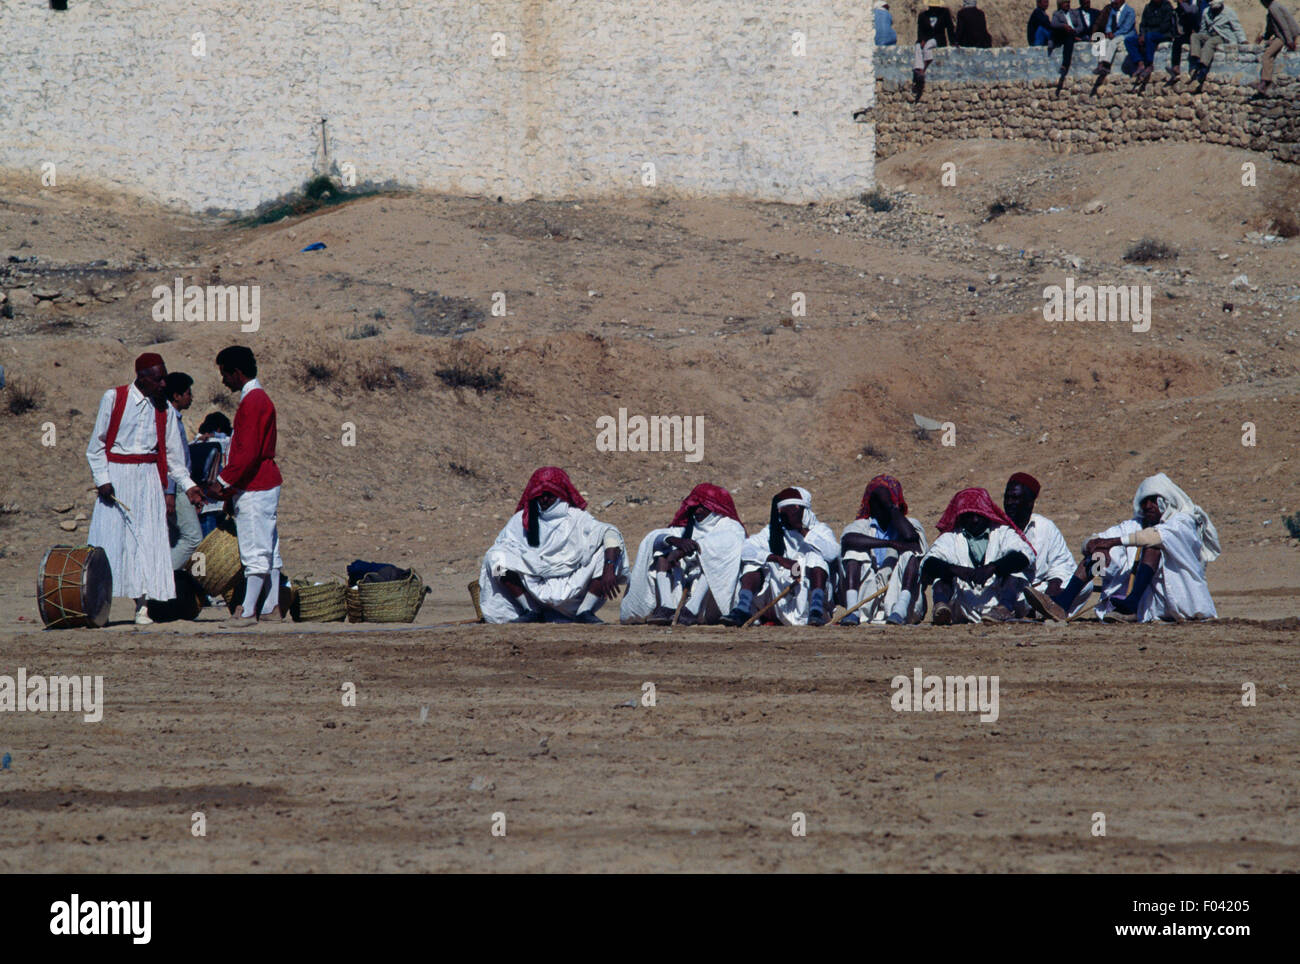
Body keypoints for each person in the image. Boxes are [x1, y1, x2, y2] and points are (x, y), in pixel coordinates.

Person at [86, 353, 203, 625]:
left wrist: (189, 486)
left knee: (149, 541)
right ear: (141, 376)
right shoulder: (114, 398)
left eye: (164, 377)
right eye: (158, 378)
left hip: (150, 478)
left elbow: (174, 458)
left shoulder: (164, 410)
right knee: (109, 540)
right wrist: (102, 478)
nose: (164, 384)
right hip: (116, 477)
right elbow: (96, 445)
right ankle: (95, 605)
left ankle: (143, 607)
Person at [1033, 473, 1219, 622]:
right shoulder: (1135, 526)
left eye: (1153, 500)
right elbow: (1096, 540)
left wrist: (1112, 542)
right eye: (1143, 502)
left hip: (1185, 601)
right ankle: (1063, 604)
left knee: (1152, 547)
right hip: (1149, 606)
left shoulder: (1183, 521)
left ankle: (1131, 603)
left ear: (1166, 500)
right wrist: (1094, 545)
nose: (1147, 506)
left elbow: (1153, 537)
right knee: (1098, 554)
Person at [478, 467, 628, 623]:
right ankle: (529, 610)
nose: (543, 500)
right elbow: (502, 548)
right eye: (539, 495)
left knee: (610, 549)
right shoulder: (522, 519)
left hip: (574, 588)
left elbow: (610, 533)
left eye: (549, 495)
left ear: (560, 493)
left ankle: (585, 611)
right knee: (494, 558)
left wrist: (609, 568)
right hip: (533, 589)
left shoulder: (576, 517)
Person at [207, 346, 284, 626]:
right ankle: (273, 604)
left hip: (255, 484)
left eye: (224, 374)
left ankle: (249, 610)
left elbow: (247, 452)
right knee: (268, 546)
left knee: (254, 547)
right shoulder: (258, 399)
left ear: (236, 373)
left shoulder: (253, 402)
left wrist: (223, 482)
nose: (224, 381)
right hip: (262, 480)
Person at [893, 487, 1036, 624]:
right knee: (941, 578)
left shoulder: (1003, 532)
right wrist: (956, 570)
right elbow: (929, 563)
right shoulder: (951, 537)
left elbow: (1024, 556)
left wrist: (993, 568)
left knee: (1016, 576)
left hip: (999, 597)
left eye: (978, 515)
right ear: (960, 517)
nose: (974, 520)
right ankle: (941, 608)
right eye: (969, 515)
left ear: (986, 513)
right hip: (963, 604)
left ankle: (1004, 609)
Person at [621, 484, 746, 626]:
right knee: (661, 552)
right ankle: (667, 607)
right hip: (684, 580)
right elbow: (655, 536)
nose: (696, 510)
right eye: (694, 506)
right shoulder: (690, 525)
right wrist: (673, 541)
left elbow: (726, 543)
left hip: (711, 588)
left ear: (714, 507)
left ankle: (692, 610)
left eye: (701, 506)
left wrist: (687, 550)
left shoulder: (730, 526)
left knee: (712, 558)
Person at [722, 487, 839, 627]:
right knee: (753, 563)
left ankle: (816, 612)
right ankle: (742, 609)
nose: (783, 514)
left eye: (790, 510)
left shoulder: (819, 530)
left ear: (800, 509)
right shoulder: (775, 532)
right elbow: (746, 550)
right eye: (782, 511)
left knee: (817, 559)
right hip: (780, 597)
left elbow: (833, 553)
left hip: (807, 596)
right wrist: (778, 559)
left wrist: (802, 530)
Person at [838, 475, 926, 626]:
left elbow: (910, 537)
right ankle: (852, 610)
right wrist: (890, 543)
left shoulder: (910, 524)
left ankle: (900, 610)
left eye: (884, 501)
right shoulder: (863, 525)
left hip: (898, 594)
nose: (880, 505)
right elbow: (848, 540)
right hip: (868, 598)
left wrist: (891, 507)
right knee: (854, 552)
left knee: (910, 554)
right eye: (876, 501)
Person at [1002, 472, 1077, 609]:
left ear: (1030, 502)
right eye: (1007, 497)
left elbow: (1062, 563)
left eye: (1015, 498)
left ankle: (1045, 606)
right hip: (1011, 593)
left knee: (1084, 586)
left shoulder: (1045, 526)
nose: (1009, 503)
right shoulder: (999, 529)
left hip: (1042, 589)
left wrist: (1054, 585)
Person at [162, 371, 203, 575]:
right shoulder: (168, 417)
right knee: (193, 539)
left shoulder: (174, 418)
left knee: (175, 538)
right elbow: (169, 458)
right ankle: (161, 578)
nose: (191, 397)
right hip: (174, 487)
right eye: (188, 393)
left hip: (179, 486)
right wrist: (170, 492)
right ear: (176, 396)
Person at [191, 411, 232, 537]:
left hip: (201, 502)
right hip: (219, 500)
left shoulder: (194, 443)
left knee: (204, 547)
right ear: (220, 428)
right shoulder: (224, 442)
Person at [1188, 1, 1248, 87]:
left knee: (1210, 43)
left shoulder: (1228, 12)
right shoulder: (1206, 12)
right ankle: (1195, 59)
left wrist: (1243, 40)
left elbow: (1237, 27)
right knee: (1195, 36)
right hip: (1210, 35)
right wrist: (1201, 38)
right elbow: (1203, 29)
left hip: (1223, 36)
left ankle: (1203, 66)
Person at [1255, 0, 1299, 96]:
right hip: (1282, 35)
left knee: (1266, 55)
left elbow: (1284, 26)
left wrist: (1289, 41)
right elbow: (1270, 28)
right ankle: (1266, 80)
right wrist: (1264, 37)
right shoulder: (1272, 8)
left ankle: (1265, 81)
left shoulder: (1273, 8)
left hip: (1283, 36)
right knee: (1269, 52)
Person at [914, 4, 957, 95]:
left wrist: (952, 42)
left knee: (928, 46)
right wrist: (921, 40)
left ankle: (923, 69)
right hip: (926, 39)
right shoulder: (923, 15)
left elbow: (950, 28)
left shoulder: (944, 13)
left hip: (938, 40)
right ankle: (918, 68)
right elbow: (920, 30)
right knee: (918, 46)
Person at [1128, 0, 1177, 80]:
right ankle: (1140, 63)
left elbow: (1165, 26)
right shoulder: (1148, 7)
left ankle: (1149, 64)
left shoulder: (1167, 7)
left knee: (1149, 37)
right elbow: (1143, 24)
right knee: (1129, 40)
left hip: (1163, 34)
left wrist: (1147, 34)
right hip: (1149, 34)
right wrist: (1142, 35)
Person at [1048, 0, 1092, 81]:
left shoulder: (1075, 13)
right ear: (1061, 4)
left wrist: (1073, 31)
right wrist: (1064, 26)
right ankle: (1065, 65)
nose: (1067, 4)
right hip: (1064, 36)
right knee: (1068, 38)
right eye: (1065, 3)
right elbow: (1053, 24)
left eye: (1068, 3)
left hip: (1074, 34)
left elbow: (1081, 26)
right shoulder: (1057, 14)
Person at [1093, 0, 1139, 77]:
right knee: (1104, 42)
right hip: (1115, 34)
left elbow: (1126, 28)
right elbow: (1109, 24)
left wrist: (1114, 34)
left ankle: (1106, 64)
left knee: (1113, 42)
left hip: (1127, 34)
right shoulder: (1114, 10)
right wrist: (1109, 32)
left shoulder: (1130, 11)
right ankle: (1100, 63)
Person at [1167, 0, 1205, 81]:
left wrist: (1182, 3)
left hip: (1197, 33)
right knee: (1177, 41)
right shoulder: (1177, 11)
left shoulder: (1195, 6)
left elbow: (1190, 12)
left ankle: (1196, 66)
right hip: (1186, 34)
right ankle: (1175, 66)